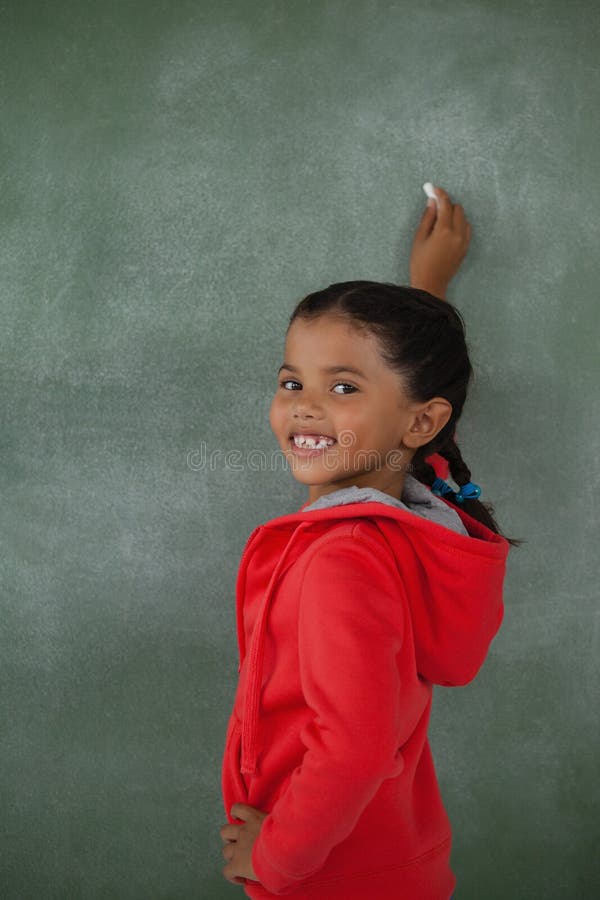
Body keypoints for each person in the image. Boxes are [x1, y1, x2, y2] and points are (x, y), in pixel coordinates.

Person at [219, 187, 520, 899]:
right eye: (291, 379)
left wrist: (275, 859)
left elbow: (351, 753)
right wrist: (429, 294)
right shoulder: (417, 523)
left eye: (343, 387)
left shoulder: (340, 562)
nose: (303, 405)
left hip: (329, 874)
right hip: (392, 858)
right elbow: (408, 414)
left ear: (419, 422)